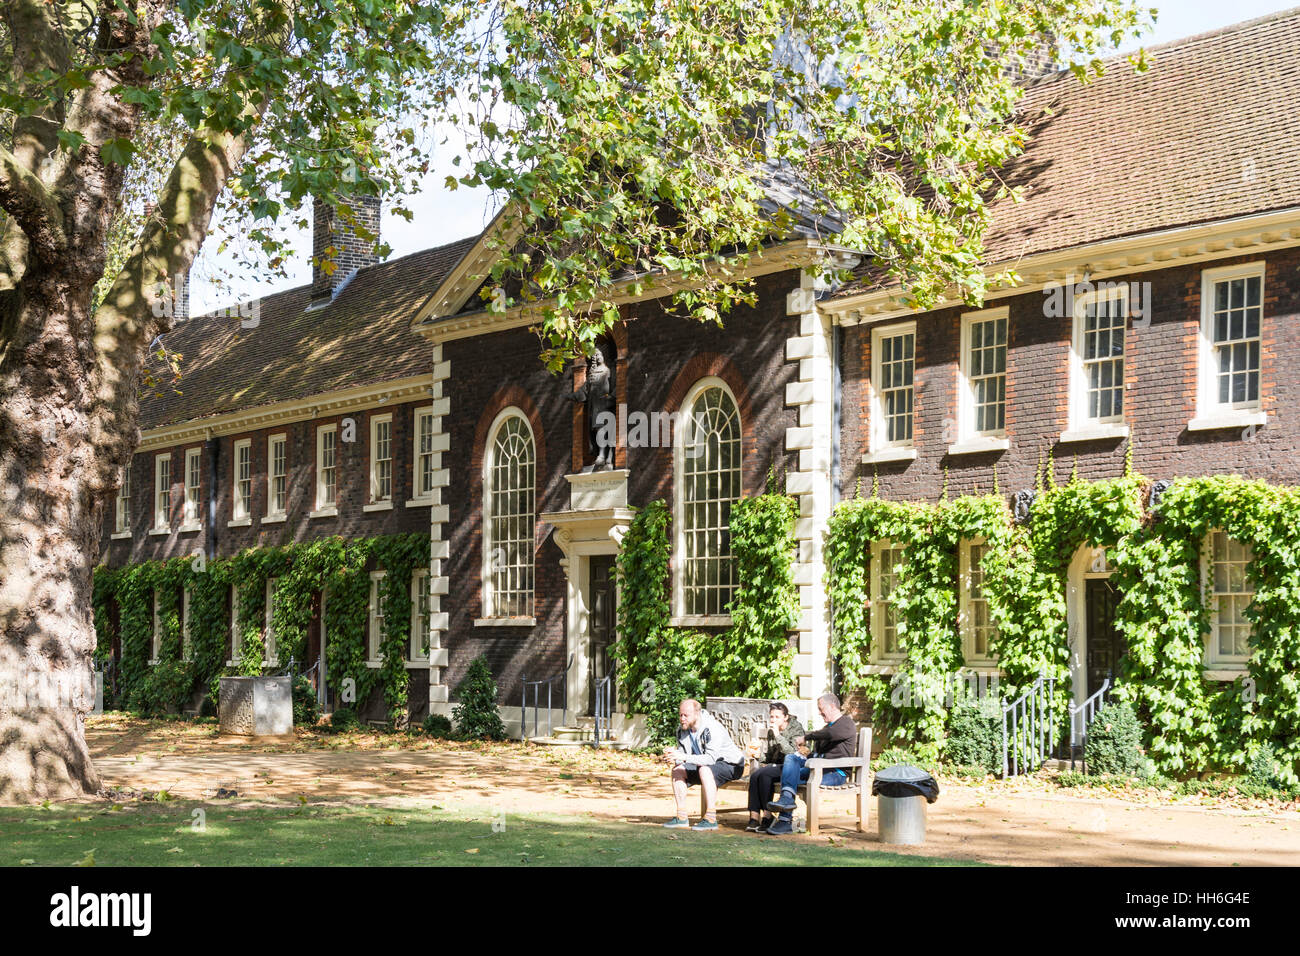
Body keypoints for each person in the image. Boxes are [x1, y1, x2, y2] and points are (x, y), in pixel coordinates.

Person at [765, 692, 856, 835]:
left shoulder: (845, 723)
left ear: (832, 706)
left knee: (791, 776)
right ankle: (786, 810)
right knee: (791, 759)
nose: (820, 713)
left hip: (836, 773)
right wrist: (806, 753)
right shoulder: (828, 727)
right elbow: (821, 748)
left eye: (821, 709)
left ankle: (784, 818)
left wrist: (806, 737)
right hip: (817, 769)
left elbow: (829, 735)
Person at [661, 698, 746, 831]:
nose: (682, 718)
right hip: (704, 766)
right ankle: (681, 817)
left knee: (705, 770)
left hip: (732, 765)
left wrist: (682, 756)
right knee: (678, 770)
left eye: (686, 715)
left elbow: (711, 759)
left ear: (697, 714)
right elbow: (685, 757)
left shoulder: (712, 728)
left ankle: (711, 818)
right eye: (680, 715)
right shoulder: (683, 730)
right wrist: (673, 757)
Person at [746, 702, 805, 833]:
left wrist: (778, 735)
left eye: (777, 717)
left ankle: (767, 817)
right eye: (772, 716)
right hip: (776, 766)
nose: (773, 720)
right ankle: (754, 818)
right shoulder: (772, 730)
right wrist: (758, 755)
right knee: (756, 775)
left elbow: (792, 753)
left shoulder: (796, 728)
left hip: (792, 768)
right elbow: (770, 756)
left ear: (786, 717)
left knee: (764, 774)